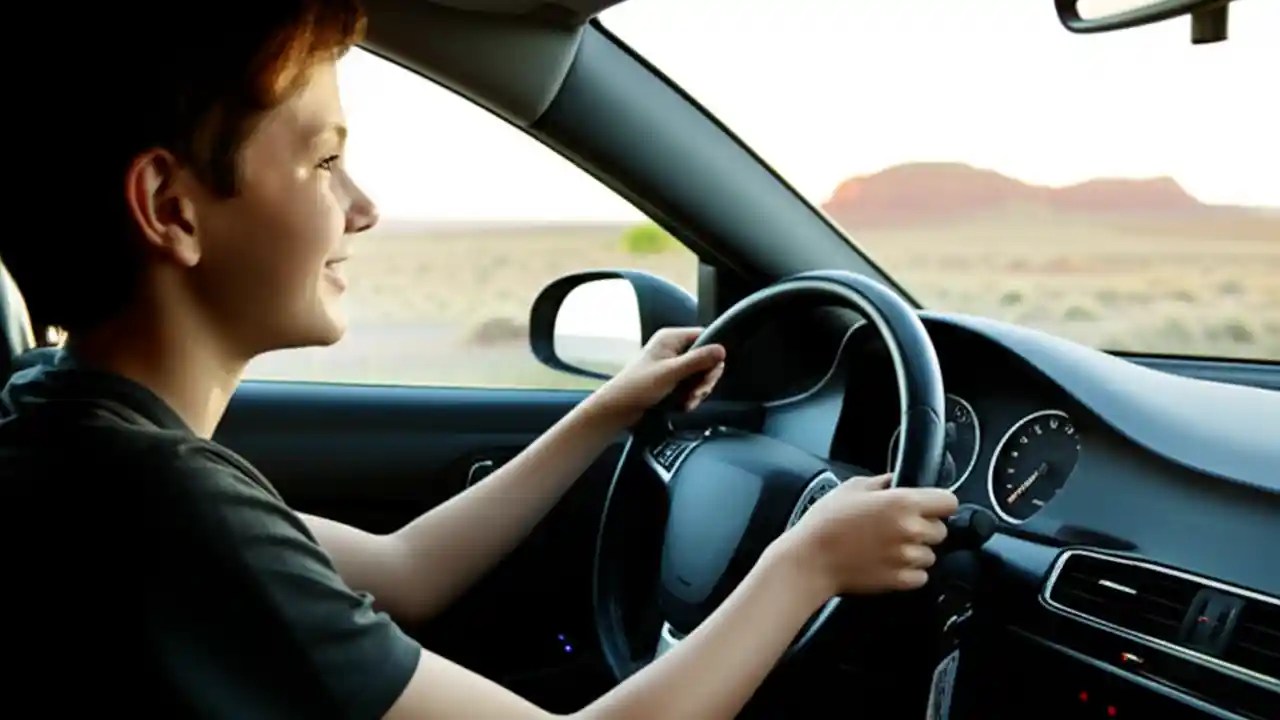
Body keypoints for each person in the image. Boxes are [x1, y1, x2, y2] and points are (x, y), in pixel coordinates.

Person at [0, 1, 958, 717]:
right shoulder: (160, 503)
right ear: (171, 208)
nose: (364, 209)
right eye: (325, 162)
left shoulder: (68, 423)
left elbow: (404, 569)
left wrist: (603, 411)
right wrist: (806, 564)